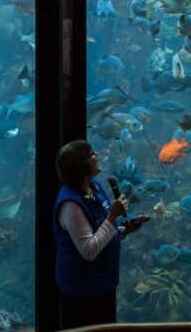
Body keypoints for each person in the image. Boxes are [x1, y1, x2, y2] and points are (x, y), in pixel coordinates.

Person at [53, 139, 147, 329]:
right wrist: (112, 216)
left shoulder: (94, 187)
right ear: (81, 166)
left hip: (102, 284)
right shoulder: (71, 204)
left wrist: (123, 229)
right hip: (82, 292)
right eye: (91, 154)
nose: (97, 154)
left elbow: (99, 229)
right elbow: (89, 250)